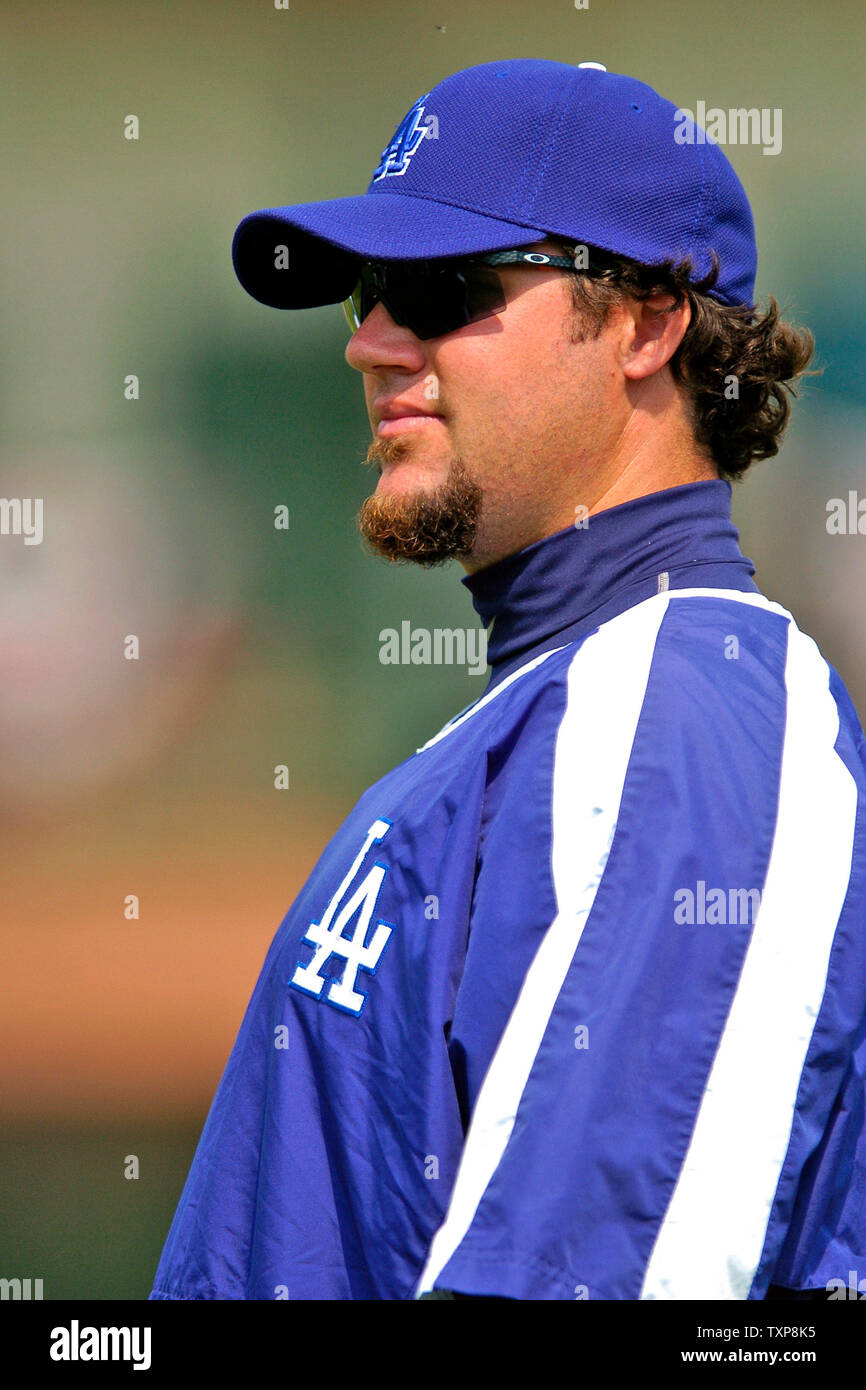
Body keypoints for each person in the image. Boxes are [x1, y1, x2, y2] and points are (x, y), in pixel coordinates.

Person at [149, 59, 866, 1301]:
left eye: (436, 287)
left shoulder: (684, 705)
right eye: (369, 294)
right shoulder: (562, 709)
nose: (369, 344)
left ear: (645, 321)